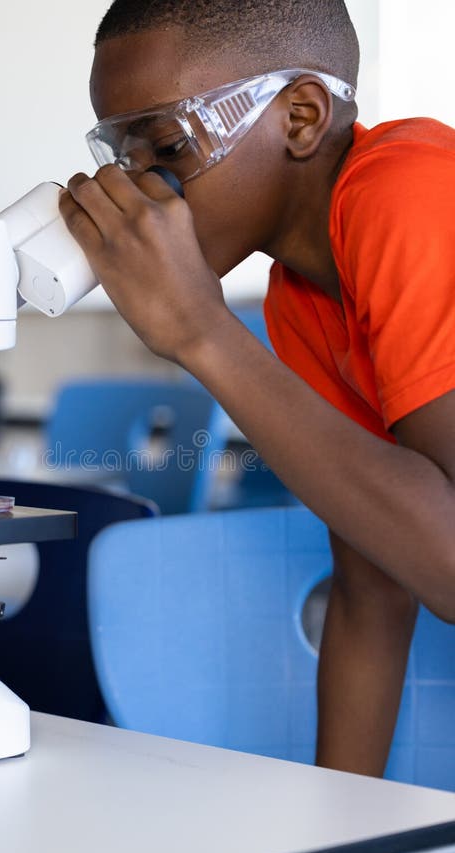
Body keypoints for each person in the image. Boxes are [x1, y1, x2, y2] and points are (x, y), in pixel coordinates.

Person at [59, 0, 455, 778]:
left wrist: (202, 335)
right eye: (125, 157)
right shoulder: (301, 296)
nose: (146, 190)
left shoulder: (407, 191)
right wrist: (337, 848)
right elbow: (375, 583)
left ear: (300, 117)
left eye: (167, 147)